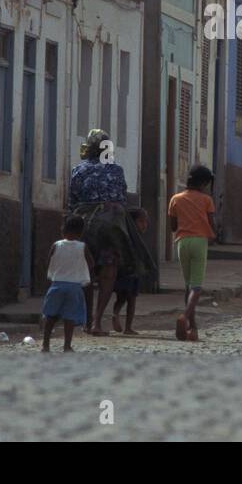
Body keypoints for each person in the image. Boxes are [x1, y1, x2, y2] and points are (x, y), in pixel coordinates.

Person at [68, 128, 156, 336]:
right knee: (109, 272)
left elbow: (72, 201)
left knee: (87, 273)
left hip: (86, 224)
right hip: (112, 226)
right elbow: (122, 198)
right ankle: (98, 321)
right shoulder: (116, 170)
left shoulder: (78, 170)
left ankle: (87, 321)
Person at [168, 165, 217, 341]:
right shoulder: (207, 200)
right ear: (203, 183)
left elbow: (173, 226)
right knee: (196, 287)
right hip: (199, 242)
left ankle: (193, 329)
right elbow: (212, 223)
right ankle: (185, 317)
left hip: (181, 242)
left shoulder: (175, 199)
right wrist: (213, 234)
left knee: (188, 286)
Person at [41, 216, 95, 352]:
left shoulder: (56, 245)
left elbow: (48, 262)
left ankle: (45, 345)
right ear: (81, 232)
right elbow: (91, 263)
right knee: (69, 317)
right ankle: (67, 346)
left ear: (63, 229)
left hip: (56, 285)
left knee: (50, 316)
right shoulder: (83, 247)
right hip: (74, 287)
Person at [110, 208, 149, 335]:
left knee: (125, 299)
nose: (144, 225)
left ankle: (119, 318)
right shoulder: (131, 237)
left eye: (146, 222)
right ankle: (124, 324)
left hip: (128, 272)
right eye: (141, 221)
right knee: (128, 299)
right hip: (129, 272)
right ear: (132, 223)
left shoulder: (133, 236)